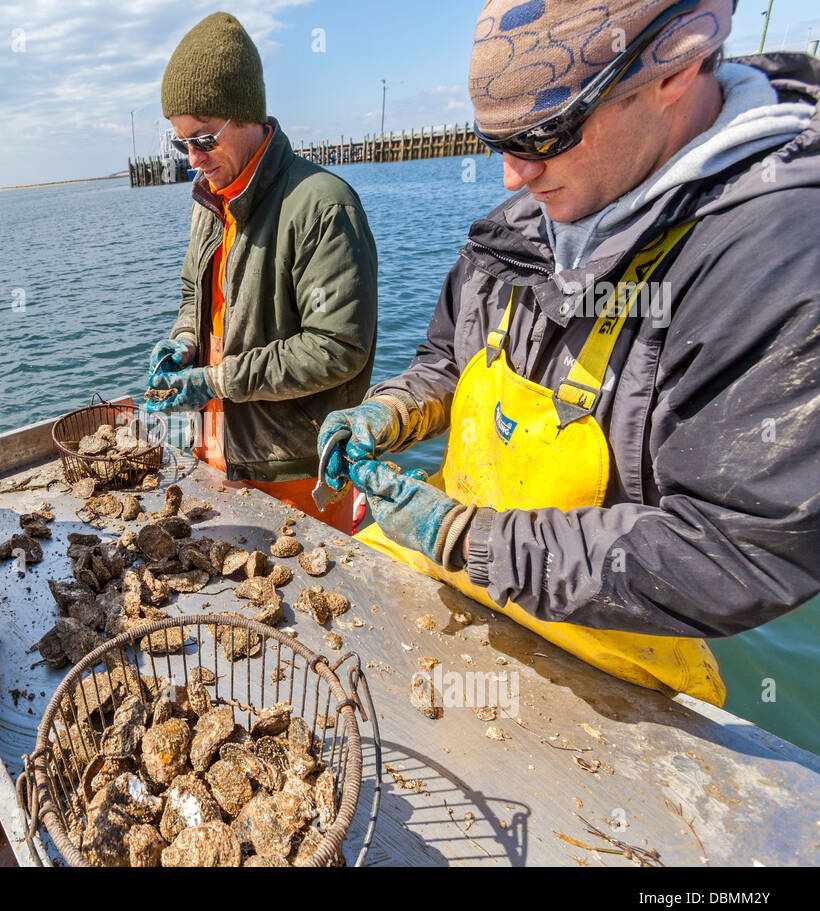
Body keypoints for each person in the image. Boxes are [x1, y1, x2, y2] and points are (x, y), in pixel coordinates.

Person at [319, 0, 820, 706]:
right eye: (496, 141)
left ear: (674, 65)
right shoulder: (522, 220)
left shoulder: (783, 255)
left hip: (606, 675)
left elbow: (737, 548)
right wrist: (392, 410)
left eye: (544, 135)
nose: (511, 177)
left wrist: (470, 541)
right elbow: (450, 361)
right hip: (455, 607)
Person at [145, 11, 378, 534]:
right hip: (216, 454)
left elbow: (337, 348)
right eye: (181, 142)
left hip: (291, 471)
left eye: (203, 139)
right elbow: (194, 294)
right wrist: (184, 341)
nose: (193, 158)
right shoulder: (209, 201)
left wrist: (217, 380)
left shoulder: (323, 205)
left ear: (248, 115)